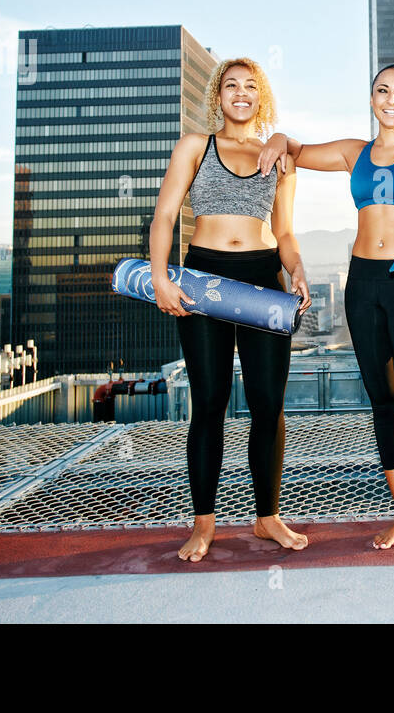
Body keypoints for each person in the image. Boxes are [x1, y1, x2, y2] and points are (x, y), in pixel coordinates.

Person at [257, 64, 394, 547]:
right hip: (363, 282)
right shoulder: (352, 153)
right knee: (383, 402)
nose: (392, 98)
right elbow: (295, 151)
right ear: (372, 99)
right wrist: (278, 135)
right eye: (383, 91)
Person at [149, 57, 311, 562]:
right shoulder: (195, 146)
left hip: (264, 279)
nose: (240, 93)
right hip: (203, 280)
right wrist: (160, 275)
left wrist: (298, 269)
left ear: (260, 96)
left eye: (250, 87)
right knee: (210, 401)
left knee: (268, 404)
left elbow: (283, 232)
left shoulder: (279, 158)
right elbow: (166, 213)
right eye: (230, 86)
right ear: (217, 95)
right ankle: (203, 524)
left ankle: (267, 518)